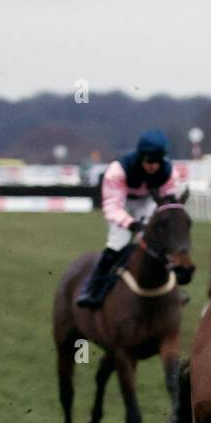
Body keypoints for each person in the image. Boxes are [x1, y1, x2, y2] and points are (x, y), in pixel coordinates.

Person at [78, 130, 175, 308]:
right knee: (119, 241)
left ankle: (173, 288)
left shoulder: (167, 172)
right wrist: (131, 223)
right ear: (140, 157)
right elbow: (112, 206)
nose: (153, 167)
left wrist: (156, 222)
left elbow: (166, 201)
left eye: (157, 162)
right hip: (120, 204)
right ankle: (93, 288)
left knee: (160, 242)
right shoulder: (117, 170)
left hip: (146, 203)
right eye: (149, 162)